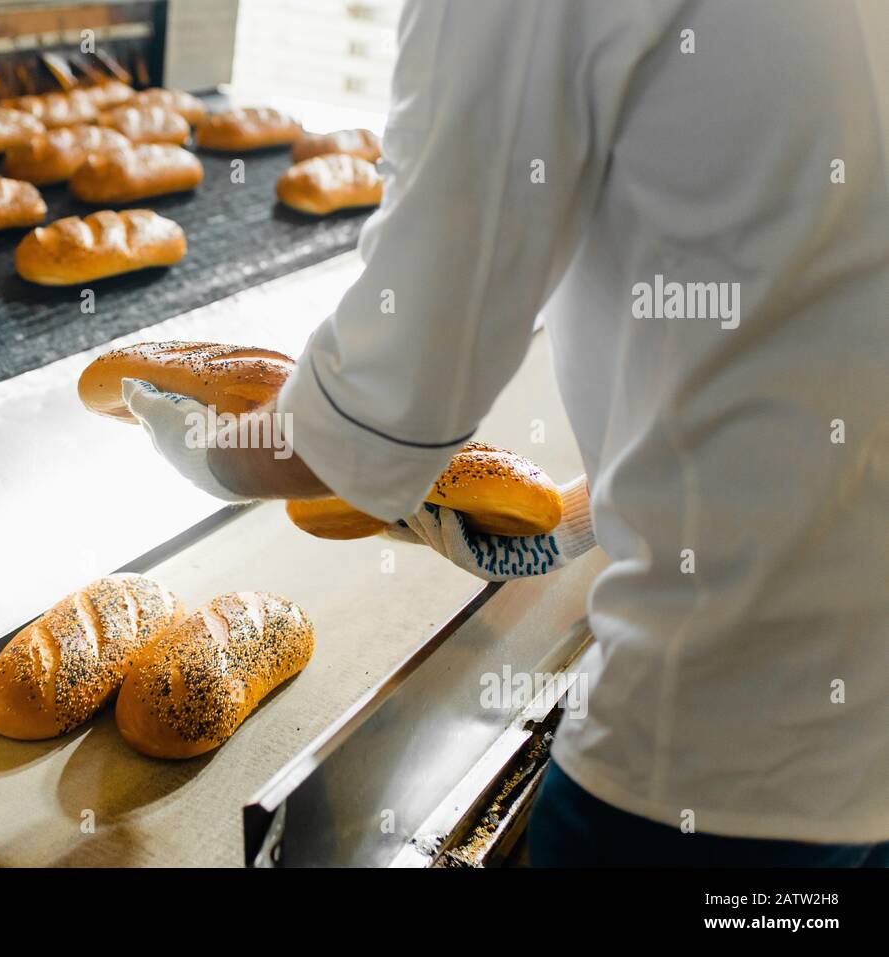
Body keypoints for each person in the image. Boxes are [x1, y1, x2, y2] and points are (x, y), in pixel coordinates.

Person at [122, 0, 889, 865]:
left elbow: (374, 413)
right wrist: (573, 518)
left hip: (718, 775)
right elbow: (811, 315)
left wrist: (210, 450)